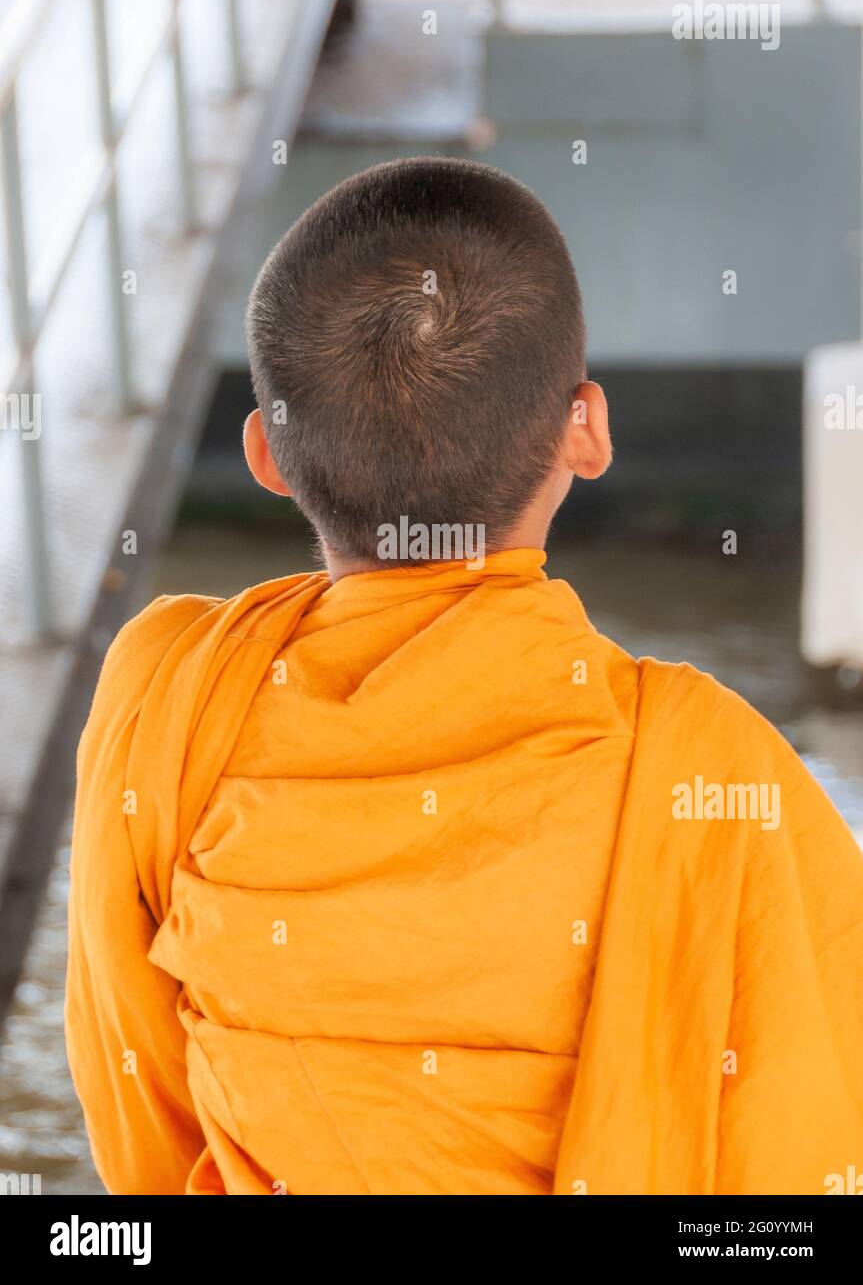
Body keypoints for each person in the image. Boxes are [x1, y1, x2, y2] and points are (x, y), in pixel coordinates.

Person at [66, 158, 863, 1195]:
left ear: (267, 454)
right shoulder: (707, 768)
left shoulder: (173, 691)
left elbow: (135, 1094)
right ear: (587, 429)